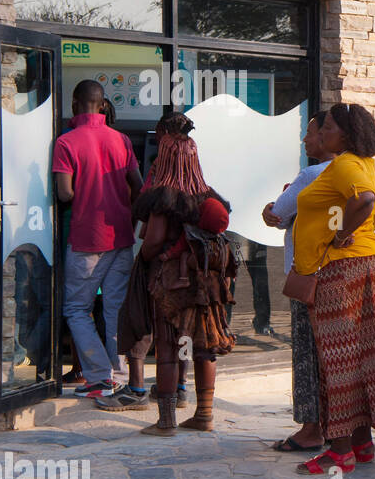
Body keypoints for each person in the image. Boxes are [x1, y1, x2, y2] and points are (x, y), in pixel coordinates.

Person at [290, 103, 375, 475]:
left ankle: (340, 451)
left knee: (337, 358)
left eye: (326, 127)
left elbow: (364, 200)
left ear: (344, 132)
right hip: (366, 264)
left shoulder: (345, 165)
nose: (321, 133)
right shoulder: (362, 163)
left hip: (341, 270)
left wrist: (340, 234)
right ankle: (361, 441)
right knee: (361, 354)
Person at [135, 113, 237, 435]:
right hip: (208, 284)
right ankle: (204, 414)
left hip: (172, 283)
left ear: (164, 159)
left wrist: (148, 256)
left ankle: (166, 421)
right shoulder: (209, 197)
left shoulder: (163, 198)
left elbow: (152, 241)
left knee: (170, 345)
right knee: (204, 345)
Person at [52, 79, 142, 400]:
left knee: (76, 309)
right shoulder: (121, 140)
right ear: (102, 105)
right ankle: (116, 374)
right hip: (121, 236)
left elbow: (65, 193)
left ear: (76, 103)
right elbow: (138, 185)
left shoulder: (66, 142)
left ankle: (100, 377)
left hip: (87, 238)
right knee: (116, 310)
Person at [263, 110, 334, 452]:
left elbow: (277, 215)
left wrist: (272, 207)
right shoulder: (356, 171)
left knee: (307, 353)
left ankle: (310, 428)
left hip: (307, 274)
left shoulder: (311, 175)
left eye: (311, 132)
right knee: (333, 353)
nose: (305, 139)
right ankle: (339, 426)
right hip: (338, 274)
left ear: (327, 135)